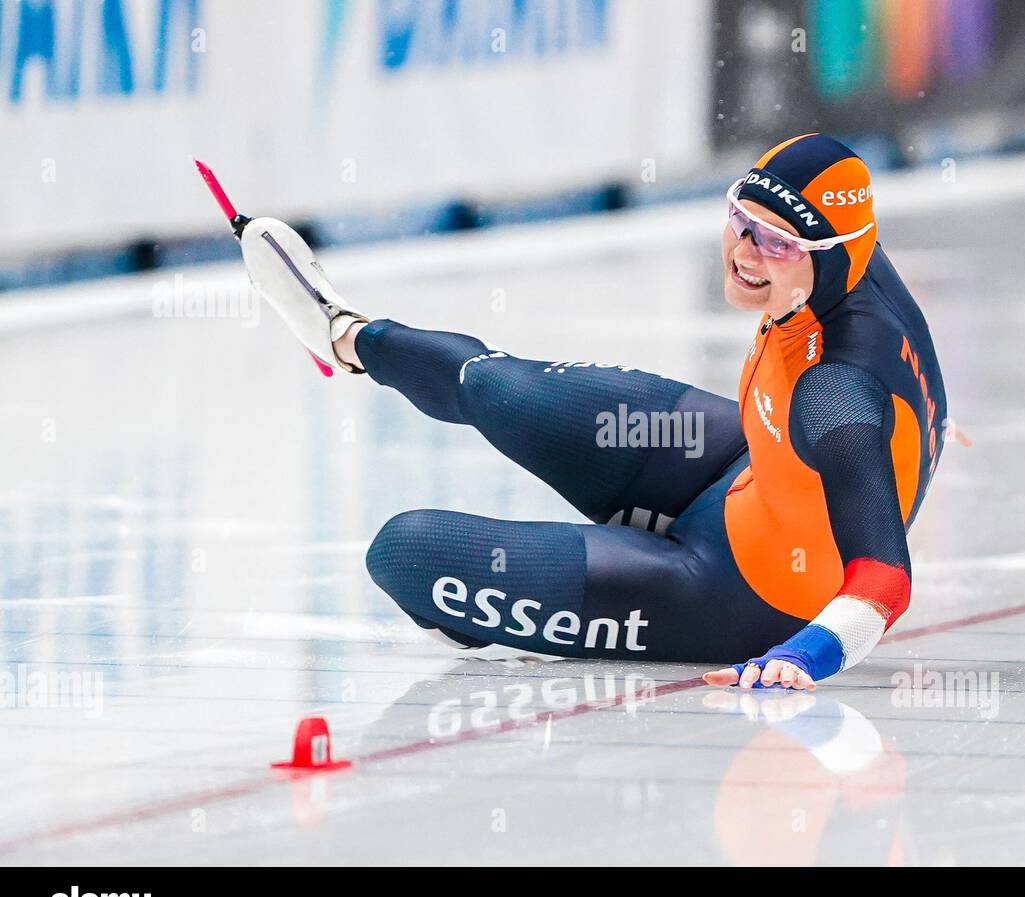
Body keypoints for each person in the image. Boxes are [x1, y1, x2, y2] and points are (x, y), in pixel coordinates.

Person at [238, 133, 945, 691]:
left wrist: (802, 657)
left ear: (836, 255)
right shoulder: (847, 257)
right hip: (748, 467)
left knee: (405, 551)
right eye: (739, 220)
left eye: (776, 244)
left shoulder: (838, 395)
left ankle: (510, 611)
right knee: (497, 387)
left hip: (742, 594)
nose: (743, 253)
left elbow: (884, 580)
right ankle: (343, 333)